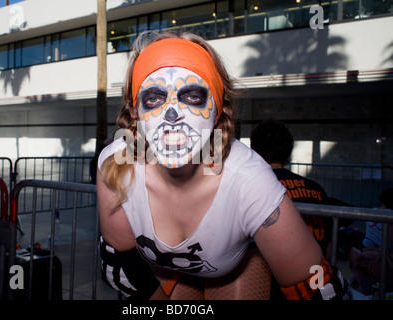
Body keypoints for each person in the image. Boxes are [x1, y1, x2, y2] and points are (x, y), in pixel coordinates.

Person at [96, 30, 347, 300]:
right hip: (159, 277)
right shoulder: (116, 164)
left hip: (233, 275)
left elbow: (315, 284)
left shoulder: (248, 178)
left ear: (218, 111)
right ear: (135, 112)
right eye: (154, 98)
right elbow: (122, 263)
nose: (172, 115)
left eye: (192, 96)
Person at [250, 119, 333, 261]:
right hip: (315, 273)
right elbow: (329, 248)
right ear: (288, 150)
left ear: (254, 150)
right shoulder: (316, 189)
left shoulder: (253, 189)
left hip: (273, 275)